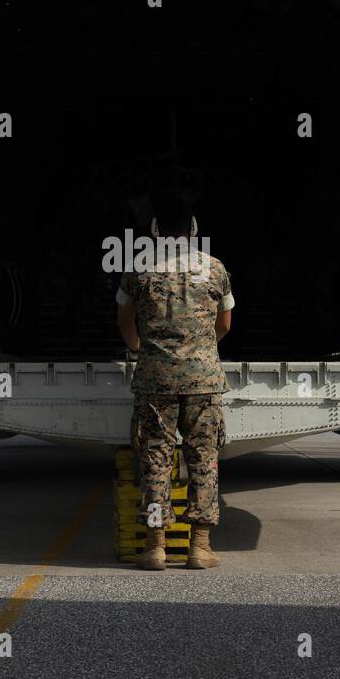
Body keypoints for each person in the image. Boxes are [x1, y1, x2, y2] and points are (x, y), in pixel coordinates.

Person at [116, 191, 234, 570]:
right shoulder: (215, 269)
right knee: (203, 460)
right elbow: (225, 324)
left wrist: (142, 350)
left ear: (153, 229)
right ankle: (200, 546)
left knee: (154, 460)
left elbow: (124, 321)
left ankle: (155, 546)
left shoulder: (138, 269)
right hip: (204, 380)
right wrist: (199, 350)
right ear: (194, 229)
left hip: (154, 380)